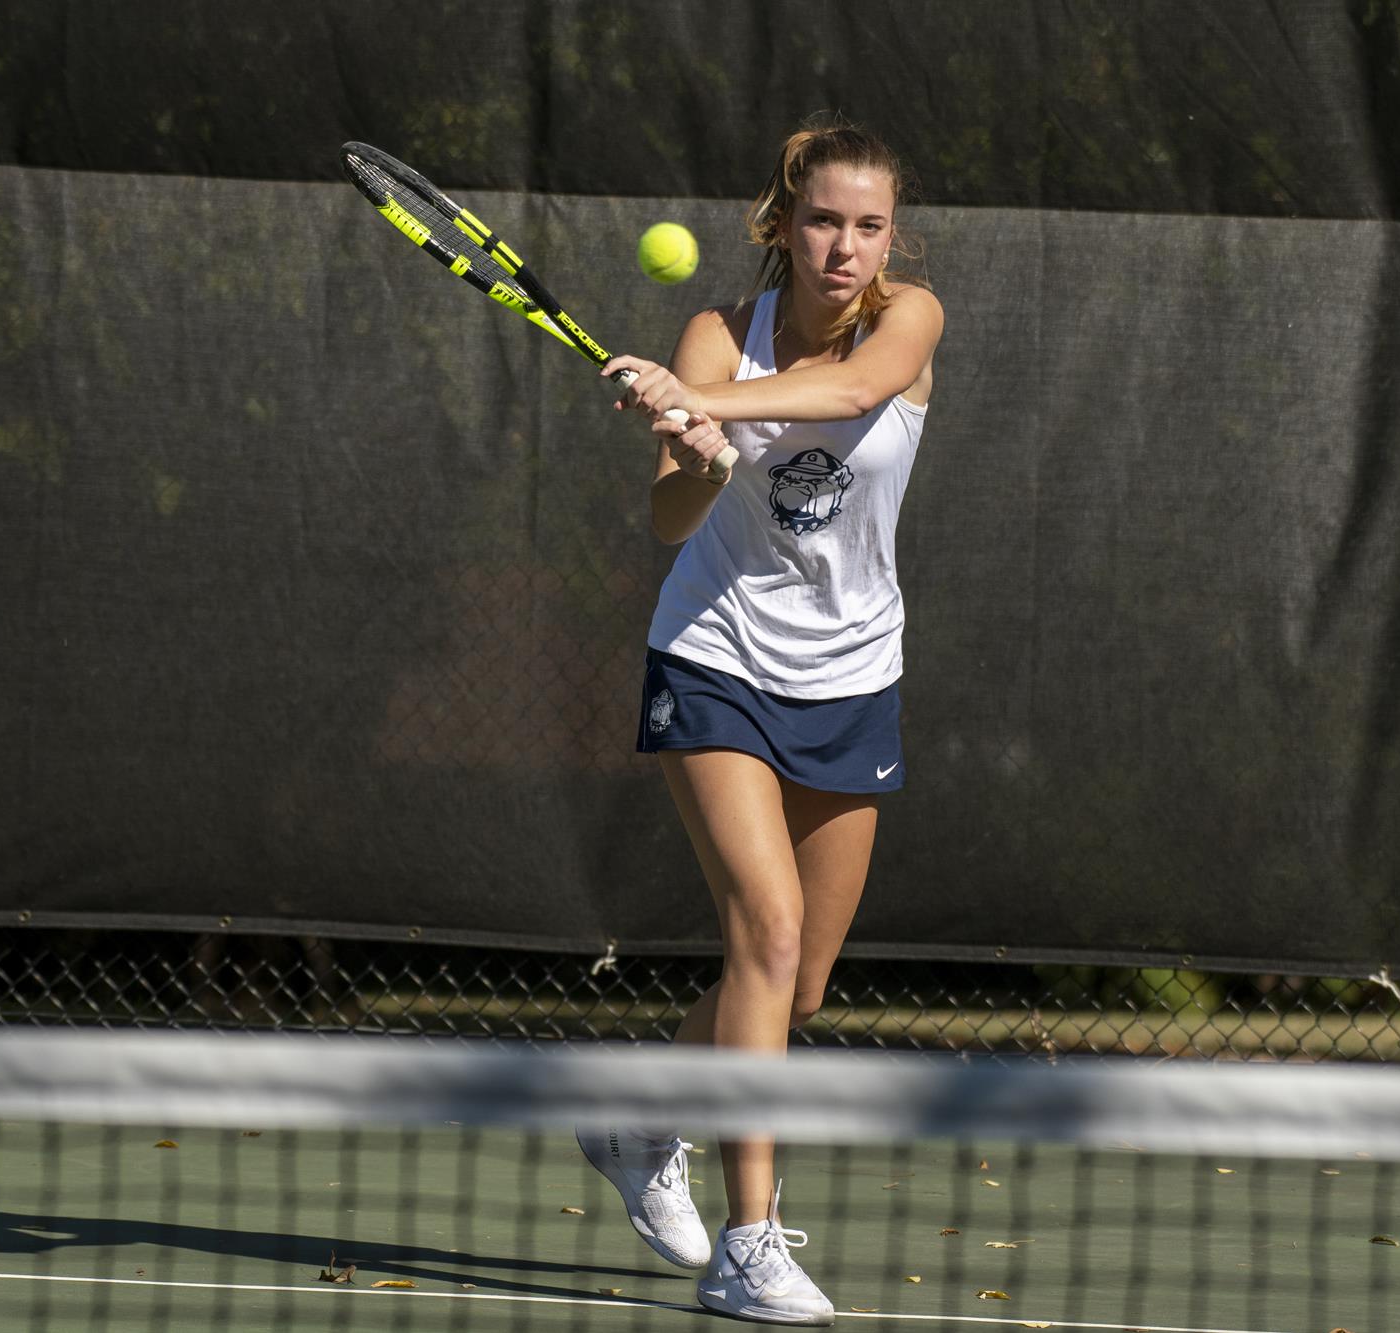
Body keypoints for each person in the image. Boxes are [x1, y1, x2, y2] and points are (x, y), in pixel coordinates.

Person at [576, 117, 944, 1326]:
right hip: (716, 656)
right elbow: (670, 521)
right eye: (823, 220)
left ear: (889, 237)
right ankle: (748, 1242)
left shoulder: (909, 320)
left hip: (851, 674)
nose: (845, 246)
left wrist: (711, 400)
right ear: (783, 223)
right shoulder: (712, 333)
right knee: (767, 937)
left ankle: (639, 1124)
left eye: (868, 225)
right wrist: (697, 451)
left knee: (799, 989)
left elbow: (852, 391)